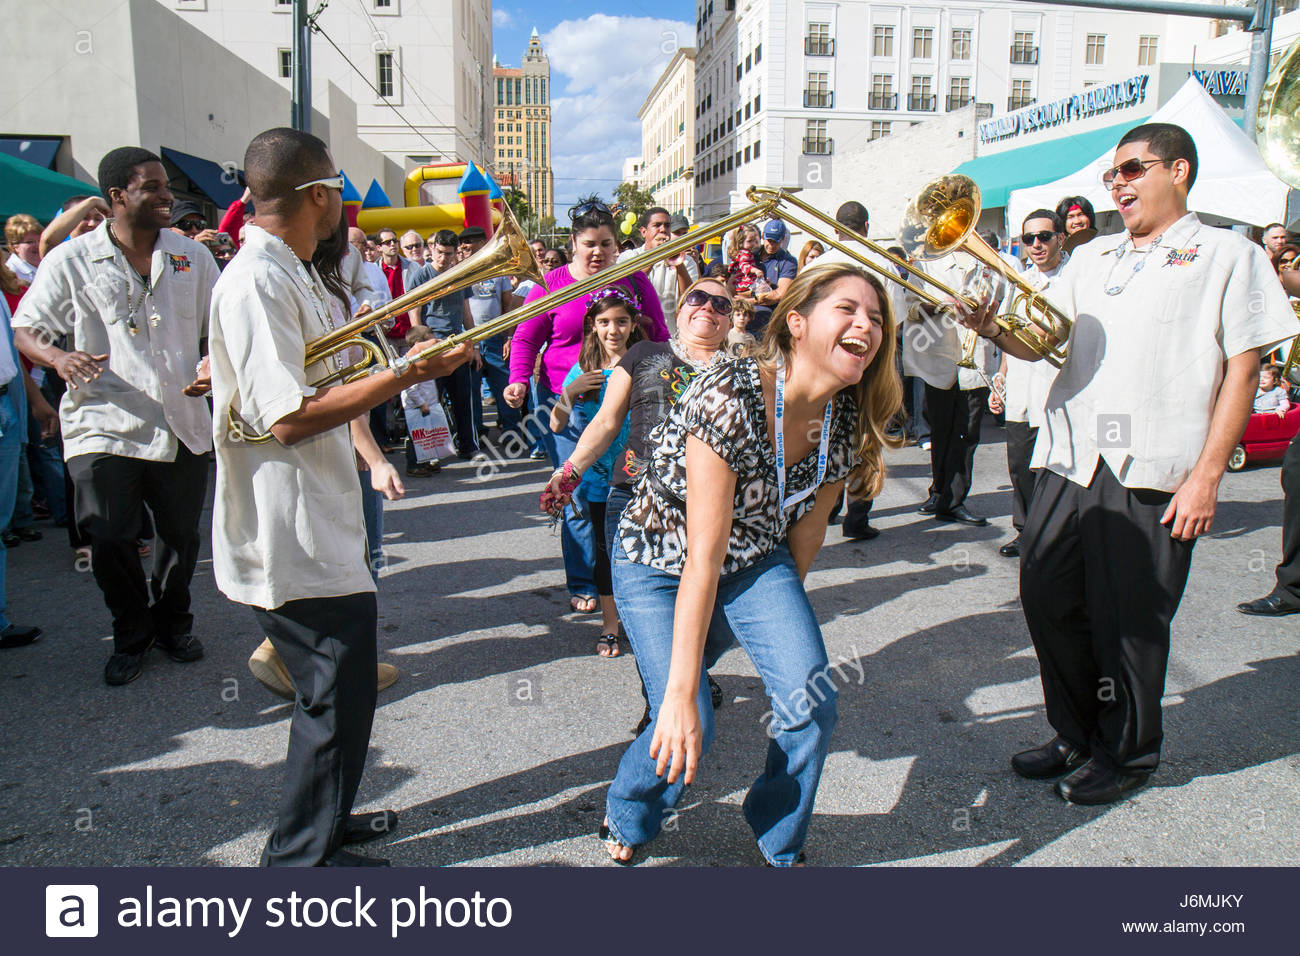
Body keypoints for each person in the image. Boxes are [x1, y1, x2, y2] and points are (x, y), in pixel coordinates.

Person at [958, 122, 1297, 805]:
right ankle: (1077, 731)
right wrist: (993, 327)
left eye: (1133, 169)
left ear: (1179, 172)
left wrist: (1208, 475)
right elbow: (1040, 344)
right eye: (1113, 173)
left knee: (1131, 620)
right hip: (1070, 454)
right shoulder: (1094, 255)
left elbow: (1244, 366)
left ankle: (1128, 753)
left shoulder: (1227, 253)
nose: (1118, 182)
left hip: (1154, 463)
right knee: (1046, 595)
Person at [208, 126, 471, 867]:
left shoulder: (291, 272)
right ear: (317, 195)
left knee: (345, 692)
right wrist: (406, 375)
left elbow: (319, 379)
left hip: (318, 517)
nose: (343, 208)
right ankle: (300, 862)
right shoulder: (261, 279)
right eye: (339, 193)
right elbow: (287, 416)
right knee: (333, 696)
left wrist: (406, 366)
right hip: (290, 528)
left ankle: (325, 823)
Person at [589, 262, 901, 865]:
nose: (868, 325)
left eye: (877, 318)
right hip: (660, 559)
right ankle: (629, 813)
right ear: (797, 323)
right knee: (685, 714)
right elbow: (700, 560)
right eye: (849, 310)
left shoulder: (842, 421)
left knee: (810, 700)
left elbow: (802, 547)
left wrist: (779, 639)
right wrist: (681, 691)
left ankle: (777, 836)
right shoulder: (730, 390)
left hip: (755, 559)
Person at [13, 146, 217, 687]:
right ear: (116, 196)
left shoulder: (191, 257)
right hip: (101, 420)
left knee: (180, 539)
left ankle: (173, 623)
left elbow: (217, 330)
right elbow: (27, 329)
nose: (166, 196)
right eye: (151, 187)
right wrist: (58, 357)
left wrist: (211, 363)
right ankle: (131, 631)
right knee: (107, 538)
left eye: (166, 186)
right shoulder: (71, 260)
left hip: (180, 419)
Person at [504, 198, 669, 614]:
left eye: (606, 244)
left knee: (625, 493)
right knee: (576, 494)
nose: (598, 252)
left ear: (617, 245)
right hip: (567, 403)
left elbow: (660, 332)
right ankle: (584, 581)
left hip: (627, 399)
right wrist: (518, 381)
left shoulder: (633, 279)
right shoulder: (550, 283)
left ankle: (629, 582)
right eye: (590, 244)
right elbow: (525, 338)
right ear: (574, 243)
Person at [548, 290, 643, 656]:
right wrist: (569, 392)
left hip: (642, 475)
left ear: (633, 324)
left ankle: (646, 619)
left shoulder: (644, 364)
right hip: (600, 481)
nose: (613, 330)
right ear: (593, 326)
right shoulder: (582, 372)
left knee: (644, 550)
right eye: (604, 322)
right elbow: (556, 426)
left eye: (621, 321)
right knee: (605, 553)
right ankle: (610, 626)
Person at [988, 209, 1068, 557]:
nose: (1036, 244)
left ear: (1060, 238)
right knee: (1019, 466)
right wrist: (1002, 375)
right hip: (1021, 384)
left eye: (1044, 237)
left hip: (1057, 386)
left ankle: (1052, 535)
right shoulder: (1022, 280)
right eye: (1029, 238)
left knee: (1054, 467)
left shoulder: (1074, 278)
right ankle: (1024, 530)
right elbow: (1009, 332)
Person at [904, 254, 996, 527]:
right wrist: (941, 306)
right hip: (939, 358)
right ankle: (939, 491)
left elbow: (998, 307)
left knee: (967, 433)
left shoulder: (987, 263)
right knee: (941, 430)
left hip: (975, 358)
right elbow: (910, 310)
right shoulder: (925, 265)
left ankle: (954, 501)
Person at [409, 229, 481, 459]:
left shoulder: (460, 274)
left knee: (463, 399)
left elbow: (466, 314)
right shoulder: (421, 276)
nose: (444, 258)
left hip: (457, 344)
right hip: (431, 345)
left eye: (449, 254)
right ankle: (426, 453)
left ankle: (467, 446)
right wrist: (422, 345)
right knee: (429, 401)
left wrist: (475, 346)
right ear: (432, 249)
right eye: (440, 253)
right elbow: (415, 313)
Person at [458, 225, 522, 448]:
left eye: (469, 243)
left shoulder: (499, 269)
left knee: (503, 386)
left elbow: (507, 304)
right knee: (471, 391)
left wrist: (508, 336)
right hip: (468, 339)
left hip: (495, 337)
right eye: (462, 244)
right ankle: (478, 433)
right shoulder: (460, 269)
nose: (464, 247)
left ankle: (511, 433)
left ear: (482, 244)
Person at [618, 207, 697, 333]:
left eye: (667, 226)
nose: (663, 230)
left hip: (671, 337)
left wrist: (678, 262)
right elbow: (628, 290)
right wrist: (654, 256)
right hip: (637, 337)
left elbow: (690, 299)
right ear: (644, 232)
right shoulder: (629, 257)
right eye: (657, 225)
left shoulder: (686, 261)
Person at [400, 326, 443, 477]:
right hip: (417, 407)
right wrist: (421, 403)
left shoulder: (426, 359)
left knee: (426, 436)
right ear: (419, 342)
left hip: (428, 405)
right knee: (416, 437)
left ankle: (427, 462)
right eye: (430, 335)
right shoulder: (413, 361)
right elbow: (409, 388)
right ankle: (414, 465)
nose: (434, 337)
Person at [750, 219, 798, 335]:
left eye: (775, 242)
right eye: (769, 240)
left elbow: (778, 295)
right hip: (742, 319)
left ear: (782, 239)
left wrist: (745, 301)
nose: (771, 245)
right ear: (762, 236)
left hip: (768, 322)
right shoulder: (750, 255)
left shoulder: (788, 261)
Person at [39, 195, 110, 258]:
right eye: (84, 218)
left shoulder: (112, 250)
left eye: (97, 219)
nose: (92, 224)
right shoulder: (62, 253)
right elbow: (48, 241)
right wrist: (93, 201)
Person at [4, 215, 42, 286]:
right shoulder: (10, 273)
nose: (38, 245)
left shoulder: (48, 265)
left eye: (40, 240)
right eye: (30, 242)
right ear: (15, 246)